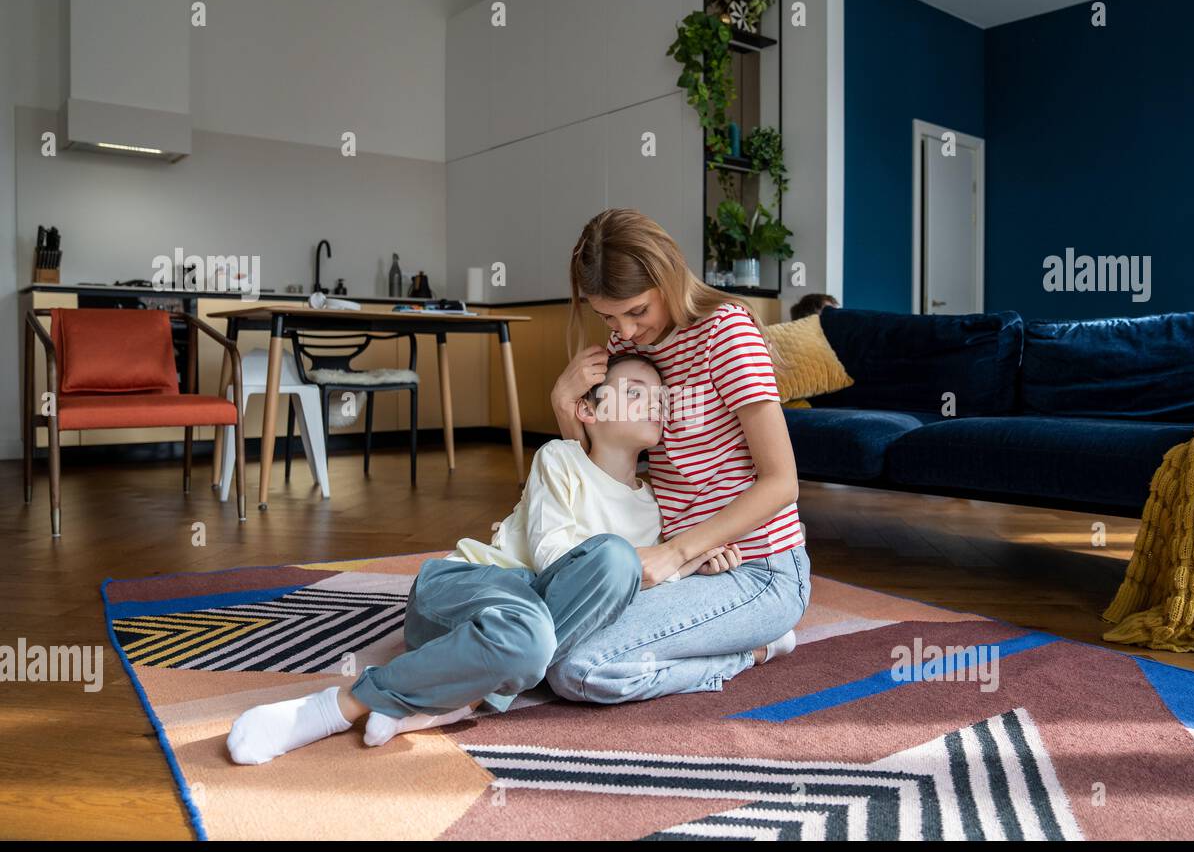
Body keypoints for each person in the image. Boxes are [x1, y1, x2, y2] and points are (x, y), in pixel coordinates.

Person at [226, 353, 740, 765]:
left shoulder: (651, 509)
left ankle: (454, 698)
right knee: (604, 569)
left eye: (660, 396)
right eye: (633, 393)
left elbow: (622, 602)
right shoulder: (560, 459)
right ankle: (336, 707)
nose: (654, 403)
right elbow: (554, 555)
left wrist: (689, 563)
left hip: (520, 640)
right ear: (588, 411)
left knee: (544, 629)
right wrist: (638, 564)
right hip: (466, 589)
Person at [545, 208, 810, 705]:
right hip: (683, 565)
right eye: (607, 316)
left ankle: (753, 650)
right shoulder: (628, 341)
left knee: (578, 670)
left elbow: (782, 482)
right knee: (546, 644)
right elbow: (605, 472)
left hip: (761, 571)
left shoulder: (725, 333)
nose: (625, 329)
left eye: (637, 311)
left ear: (667, 277)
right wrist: (565, 406)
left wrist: (677, 551)